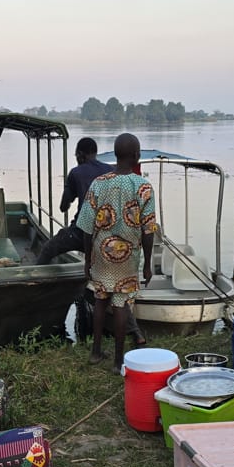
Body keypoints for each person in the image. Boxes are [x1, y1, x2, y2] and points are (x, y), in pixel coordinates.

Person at [38, 137, 146, 346]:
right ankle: (137, 334)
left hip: (82, 233)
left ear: (79, 154)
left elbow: (63, 205)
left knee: (50, 247)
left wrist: (70, 193)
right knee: (119, 290)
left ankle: (36, 284)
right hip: (108, 237)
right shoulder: (110, 170)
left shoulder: (76, 172)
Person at [76, 133, 156, 372]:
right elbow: (148, 229)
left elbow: (87, 227)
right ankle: (118, 361)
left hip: (101, 254)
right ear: (136, 156)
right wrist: (148, 263)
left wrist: (87, 259)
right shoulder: (143, 187)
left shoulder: (99, 183)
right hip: (127, 257)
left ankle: (96, 352)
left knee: (100, 301)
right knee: (121, 305)